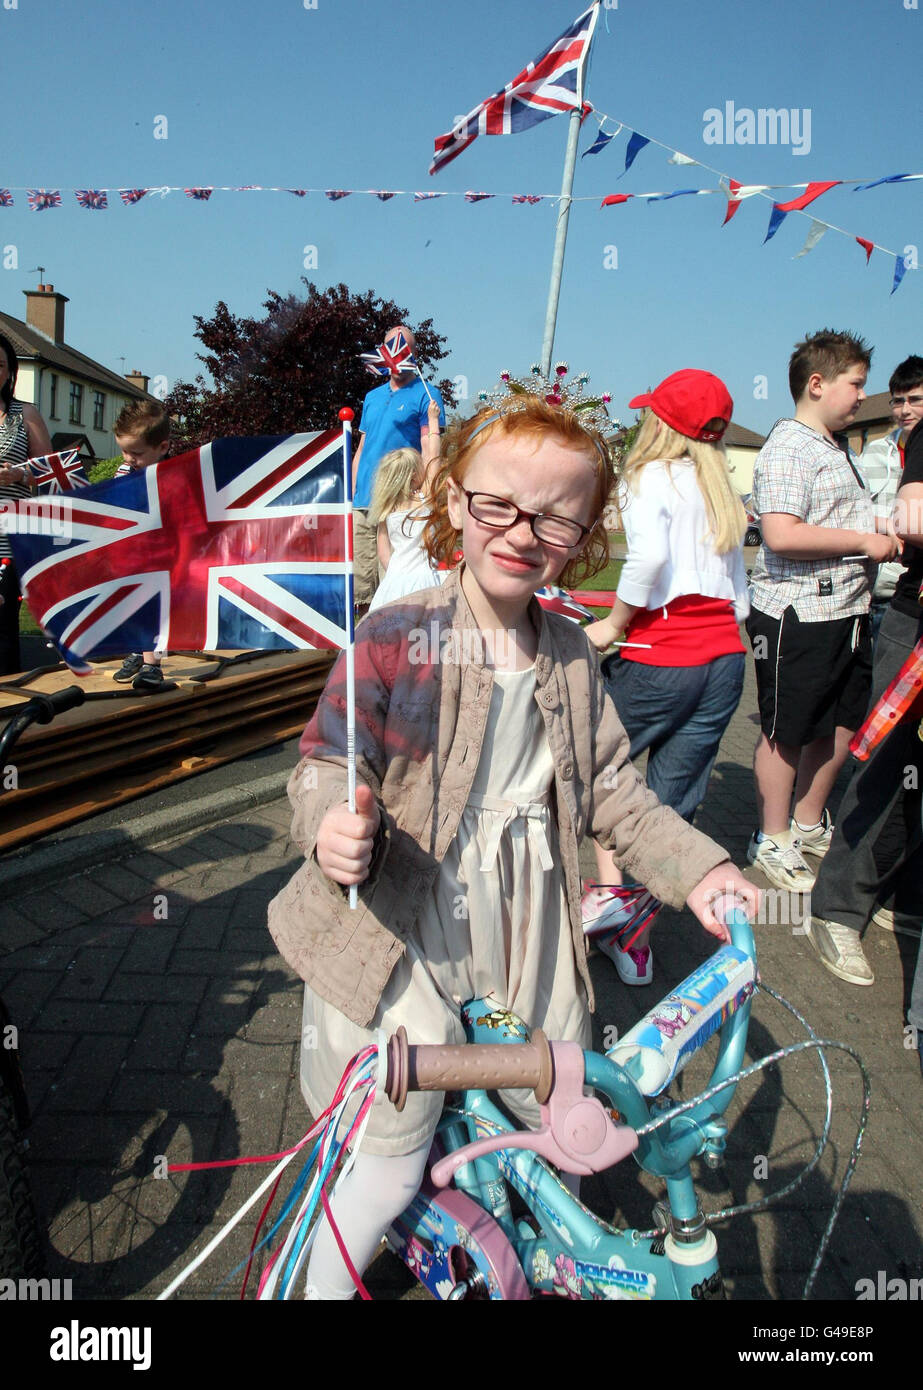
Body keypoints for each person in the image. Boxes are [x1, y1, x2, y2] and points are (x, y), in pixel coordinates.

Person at [267, 395, 761, 1300]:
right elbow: (326, 761)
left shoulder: (571, 652)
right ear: (453, 501)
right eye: (497, 504)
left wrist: (703, 866)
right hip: (405, 918)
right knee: (390, 1150)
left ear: (582, 534)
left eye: (556, 517)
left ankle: (547, 1258)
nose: (522, 532)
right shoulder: (392, 635)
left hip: (526, 913)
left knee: (559, 1108)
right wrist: (333, 824)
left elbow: (613, 789)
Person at [582, 370, 750, 987]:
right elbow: (739, 599)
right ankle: (637, 943)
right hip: (725, 662)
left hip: (662, 654)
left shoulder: (647, 476)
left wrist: (612, 624)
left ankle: (604, 904)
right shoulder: (722, 491)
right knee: (671, 811)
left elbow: (648, 559)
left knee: (598, 771)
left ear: (660, 424)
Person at [745, 330, 898, 894]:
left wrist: (881, 527)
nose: (863, 396)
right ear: (817, 383)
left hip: (846, 612)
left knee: (838, 723)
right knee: (787, 730)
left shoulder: (836, 447)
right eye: (855, 384)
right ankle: (771, 835)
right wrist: (862, 540)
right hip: (797, 616)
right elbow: (781, 534)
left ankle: (808, 821)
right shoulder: (789, 446)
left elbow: (836, 515)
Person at [806, 368, 923, 986]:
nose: (901, 408)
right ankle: (836, 910)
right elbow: (909, 518)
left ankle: (902, 895)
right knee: (881, 760)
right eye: (895, 398)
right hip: (907, 618)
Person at [352, 327, 445, 615]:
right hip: (365, 500)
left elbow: (429, 445)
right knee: (360, 584)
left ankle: (397, 644)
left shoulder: (427, 395)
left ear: (414, 355)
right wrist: (353, 493)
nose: (396, 352)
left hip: (398, 500)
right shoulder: (372, 396)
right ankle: (364, 645)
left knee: (391, 576)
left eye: (404, 347)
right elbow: (363, 446)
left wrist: (430, 488)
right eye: (390, 346)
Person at [858, 357, 923, 646]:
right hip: (869, 592)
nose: (905, 410)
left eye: (915, 399)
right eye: (898, 401)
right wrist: (885, 524)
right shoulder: (874, 452)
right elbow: (848, 509)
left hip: (910, 593)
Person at [0, 333, 53, 676]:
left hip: (7, 539)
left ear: (10, 372)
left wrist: (19, 475)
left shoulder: (25, 413)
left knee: (2, 627)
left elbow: (52, 473)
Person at [110, 401, 172, 691]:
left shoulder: (170, 475)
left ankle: (153, 664)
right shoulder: (124, 472)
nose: (128, 458)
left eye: (136, 453)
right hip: (129, 552)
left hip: (157, 555)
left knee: (152, 607)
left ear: (161, 447)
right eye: (124, 451)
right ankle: (138, 650)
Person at [366, 444, 446, 613]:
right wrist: (432, 421)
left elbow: (383, 552)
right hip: (424, 577)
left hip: (395, 579)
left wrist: (396, 575)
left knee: (390, 632)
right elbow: (434, 458)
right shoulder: (426, 498)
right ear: (414, 474)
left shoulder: (387, 508)